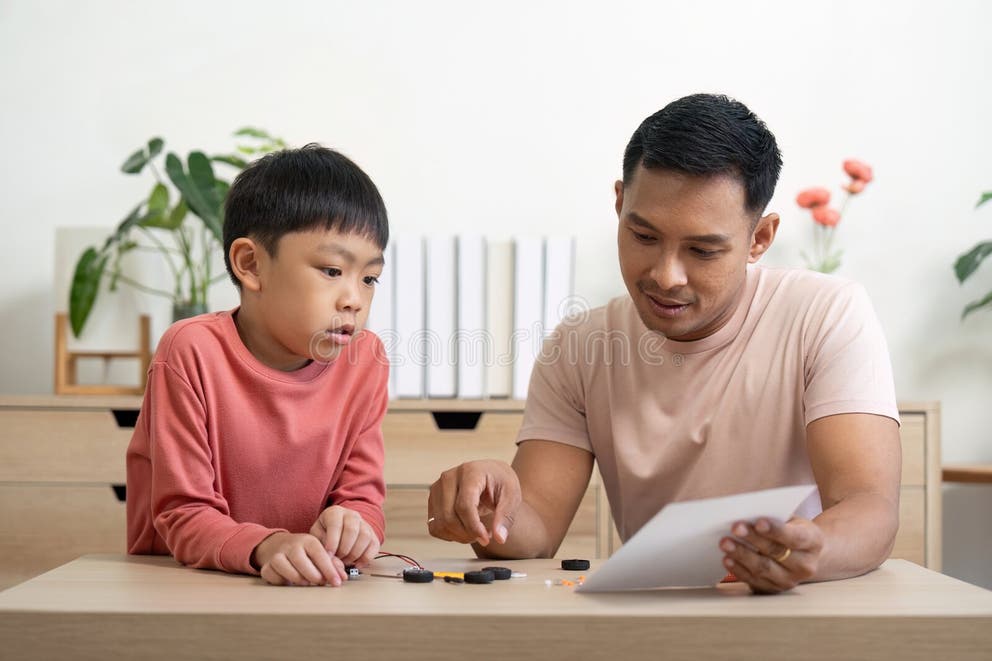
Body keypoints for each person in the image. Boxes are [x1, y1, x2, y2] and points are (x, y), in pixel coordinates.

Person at [427, 93, 902, 594]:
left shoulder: (825, 315)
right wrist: (490, 511)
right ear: (619, 204)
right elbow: (537, 528)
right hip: (652, 621)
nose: (665, 276)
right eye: (644, 237)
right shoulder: (580, 344)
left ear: (760, 238)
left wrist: (812, 550)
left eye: (702, 250)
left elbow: (869, 507)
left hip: (794, 612)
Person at [127, 144, 391, 587]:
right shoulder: (190, 351)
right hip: (182, 589)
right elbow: (183, 514)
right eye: (331, 270)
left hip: (302, 590)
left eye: (369, 278)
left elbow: (363, 499)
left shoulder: (366, 360)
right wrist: (267, 546)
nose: (354, 299)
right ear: (250, 264)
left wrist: (355, 526)